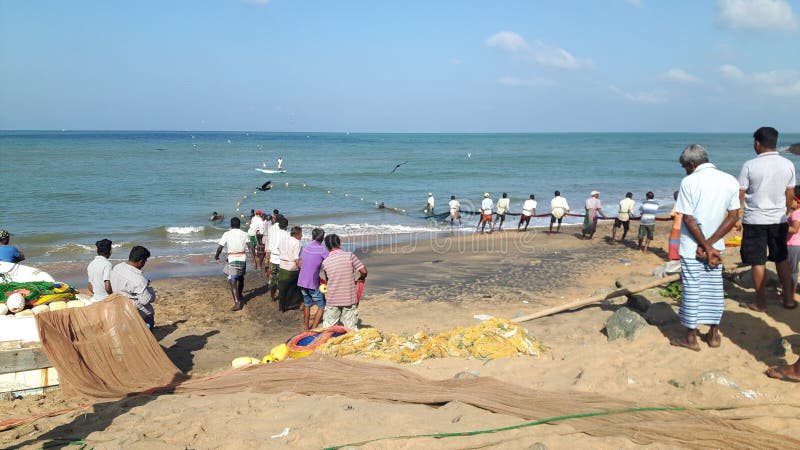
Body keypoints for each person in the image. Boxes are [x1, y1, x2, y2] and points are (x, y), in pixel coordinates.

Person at [670, 144, 739, 351]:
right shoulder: (729, 180)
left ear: (692, 164)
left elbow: (688, 218)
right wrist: (711, 245)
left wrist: (704, 245)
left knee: (692, 289)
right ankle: (714, 334)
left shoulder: (689, 181)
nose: (685, 171)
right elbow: (733, 216)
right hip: (716, 247)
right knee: (714, 289)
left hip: (693, 246)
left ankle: (691, 338)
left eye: (685, 167)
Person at [738, 126, 797, 311]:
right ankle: (788, 299)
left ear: (757, 143)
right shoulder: (788, 164)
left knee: (757, 261)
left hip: (754, 220)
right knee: (781, 259)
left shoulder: (750, 165)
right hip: (778, 219)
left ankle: (761, 303)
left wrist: (735, 216)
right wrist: (786, 210)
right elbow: (790, 193)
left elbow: (740, 194)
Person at [321, 234, 367, 330]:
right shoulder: (349, 256)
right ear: (339, 243)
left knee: (329, 329)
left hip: (332, 299)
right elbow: (364, 271)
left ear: (327, 247)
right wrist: (361, 277)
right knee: (351, 329)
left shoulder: (325, 262)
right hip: (348, 298)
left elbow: (328, 281)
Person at [110, 246, 156, 328]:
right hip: (135, 312)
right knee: (150, 315)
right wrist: (150, 290)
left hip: (119, 306)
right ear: (141, 261)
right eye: (145, 261)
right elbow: (145, 301)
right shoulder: (139, 280)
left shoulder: (117, 267)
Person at [215, 217, 249, 311]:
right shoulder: (244, 233)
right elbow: (250, 247)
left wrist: (217, 256)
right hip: (242, 259)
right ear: (239, 225)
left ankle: (237, 303)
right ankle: (240, 295)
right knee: (241, 278)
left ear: (230, 225)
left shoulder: (227, 234)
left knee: (233, 281)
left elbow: (220, 247)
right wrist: (254, 259)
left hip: (232, 260)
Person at [298, 228, 329, 331]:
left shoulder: (305, 247)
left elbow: (300, 264)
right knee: (322, 306)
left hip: (302, 281)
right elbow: (329, 264)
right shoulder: (322, 250)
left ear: (312, 236)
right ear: (323, 238)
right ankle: (313, 329)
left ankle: (306, 328)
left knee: (307, 304)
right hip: (312, 282)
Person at [277, 226, 304, 312]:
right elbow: (296, 257)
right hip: (292, 267)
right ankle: (292, 304)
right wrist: (301, 268)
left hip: (282, 265)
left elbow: (278, 249)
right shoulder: (297, 242)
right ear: (297, 234)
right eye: (301, 234)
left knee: (283, 288)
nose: (302, 236)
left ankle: (281, 306)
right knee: (295, 287)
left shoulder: (283, 240)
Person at [267, 215, 289, 301]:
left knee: (273, 278)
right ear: (286, 226)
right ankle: (281, 297)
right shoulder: (287, 235)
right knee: (282, 279)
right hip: (282, 260)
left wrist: (268, 259)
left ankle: (272, 296)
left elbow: (269, 247)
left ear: (279, 225)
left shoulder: (273, 234)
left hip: (273, 259)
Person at [86, 238, 113, 304]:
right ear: (109, 251)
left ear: (97, 251)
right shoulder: (107, 264)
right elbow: (107, 288)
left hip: (94, 299)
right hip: (105, 299)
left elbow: (90, 286)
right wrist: (113, 295)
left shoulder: (91, 264)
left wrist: (97, 294)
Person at [787, 187, 800, 296]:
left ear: (798, 202)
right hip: (797, 244)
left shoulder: (796, 213)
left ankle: (791, 294)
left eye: (790, 199)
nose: (787, 201)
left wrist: (781, 226)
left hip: (792, 245)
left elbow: (795, 229)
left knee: (792, 270)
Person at [668, 191, 682, 260]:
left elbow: (672, 214)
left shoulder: (677, 204)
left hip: (677, 226)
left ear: (675, 197)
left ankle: (674, 256)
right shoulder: (685, 204)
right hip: (684, 227)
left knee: (673, 241)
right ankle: (680, 255)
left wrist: (673, 217)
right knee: (681, 241)